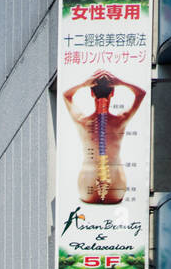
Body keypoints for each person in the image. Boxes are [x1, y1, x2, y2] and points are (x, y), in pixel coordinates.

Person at [62, 70, 146, 204]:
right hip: (116, 188)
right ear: (112, 93)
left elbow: (66, 95)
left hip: (87, 189)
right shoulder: (121, 120)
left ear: (91, 93)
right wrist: (120, 82)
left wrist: (84, 84)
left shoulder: (82, 120)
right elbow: (141, 93)